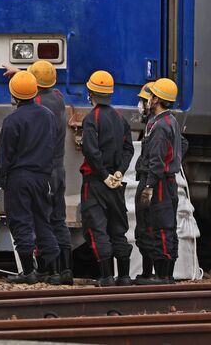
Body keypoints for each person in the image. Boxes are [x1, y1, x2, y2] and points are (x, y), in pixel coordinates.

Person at [0, 71, 59, 284]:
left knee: (21, 222)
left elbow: (5, 155)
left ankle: (28, 271)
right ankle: (49, 271)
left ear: (13, 94)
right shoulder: (48, 115)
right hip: (42, 177)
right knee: (43, 220)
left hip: (19, 178)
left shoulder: (12, 120)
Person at [79, 70, 134, 286]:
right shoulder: (121, 118)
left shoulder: (91, 119)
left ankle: (106, 276)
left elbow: (91, 152)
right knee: (118, 229)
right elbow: (128, 148)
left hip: (95, 182)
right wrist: (119, 171)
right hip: (117, 184)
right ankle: (124, 276)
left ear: (91, 92)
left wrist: (104, 175)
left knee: (96, 227)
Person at [27, 59, 74, 285]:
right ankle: (65, 269)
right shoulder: (58, 98)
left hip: (43, 171)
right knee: (59, 218)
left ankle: (48, 269)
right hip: (59, 169)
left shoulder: (36, 104)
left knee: (42, 220)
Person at [134, 77, 184, 284]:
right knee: (149, 225)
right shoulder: (165, 122)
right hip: (161, 180)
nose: (147, 100)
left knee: (161, 227)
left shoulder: (161, 127)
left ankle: (164, 275)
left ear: (156, 99)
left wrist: (149, 185)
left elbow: (157, 160)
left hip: (158, 182)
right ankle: (157, 273)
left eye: (151, 96)